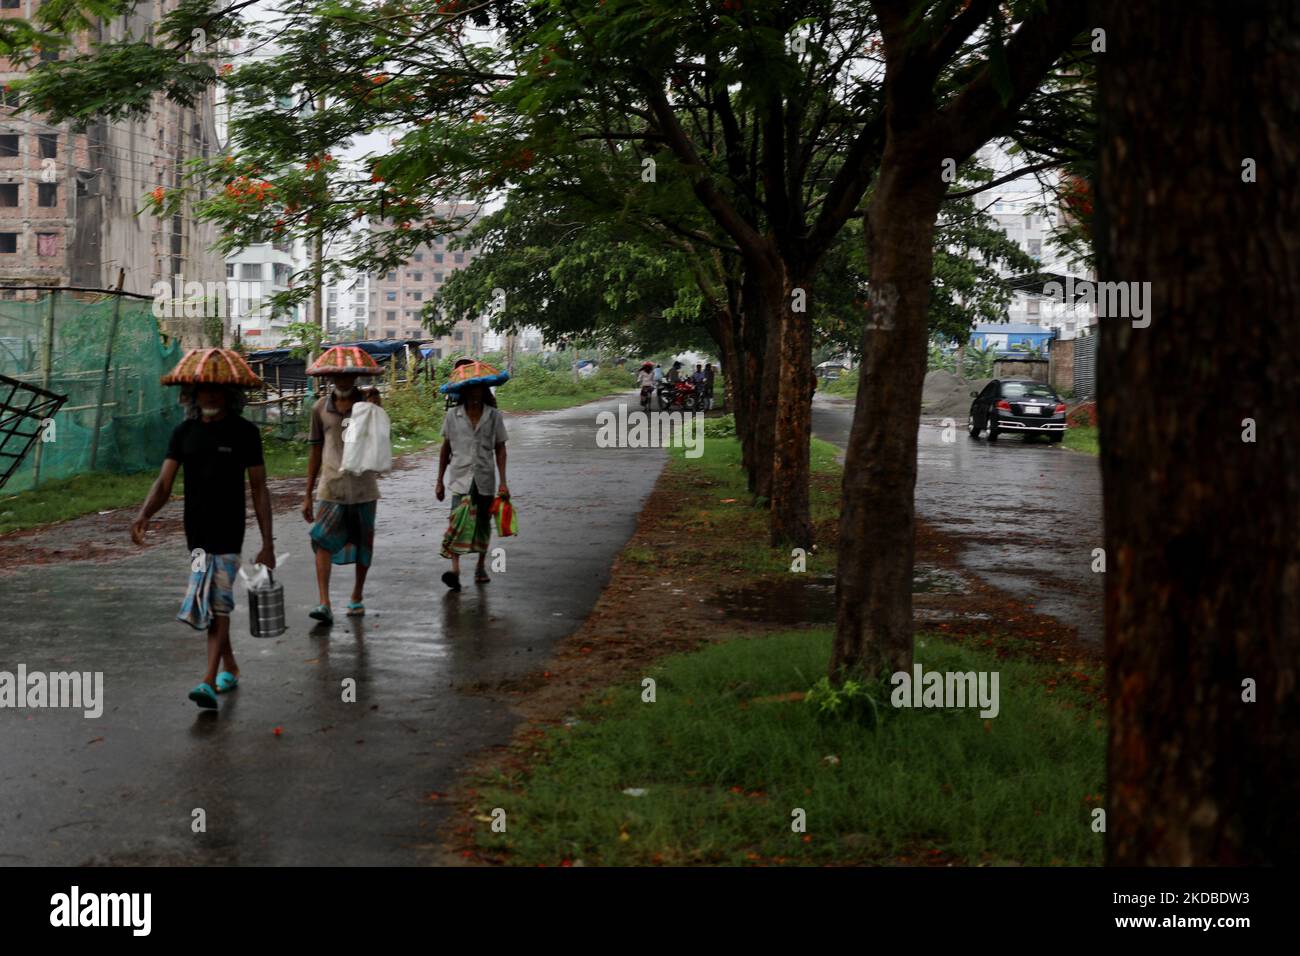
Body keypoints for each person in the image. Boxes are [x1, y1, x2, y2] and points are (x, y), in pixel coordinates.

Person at [131, 348, 274, 710]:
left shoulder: (245, 433)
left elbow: (259, 488)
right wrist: (144, 514)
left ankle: (208, 680)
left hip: (229, 533)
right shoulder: (183, 433)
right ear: (192, 396)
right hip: (195, 536)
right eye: (203, 390)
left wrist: (268, 541)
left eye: (217, 389)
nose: (210, 395)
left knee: (219, 604)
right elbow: (164, 484)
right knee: (208, 600)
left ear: (230, 395)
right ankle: (231, 667)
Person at [303, 347, 386, 625]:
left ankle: (357, 595)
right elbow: (315, 452)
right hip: (331, 487)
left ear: (356, 376)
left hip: (364, 487)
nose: (343, 379)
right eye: (337, 375)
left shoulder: (369, 405)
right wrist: (306, 494)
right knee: (321, 540)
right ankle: (324, 602)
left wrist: (377, 408)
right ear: (329, 377)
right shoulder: (319, 409)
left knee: (364, 544)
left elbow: (381, 438)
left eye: (348, 374)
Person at [437, 360, 510, 591]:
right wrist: (438, 480)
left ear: (484, 390)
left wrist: (504, 482)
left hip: (485, 478)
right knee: (457, 523)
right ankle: (455, 570)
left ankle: (480, 566)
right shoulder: (452, 416)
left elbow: (500, 448)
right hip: (460, 479)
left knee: (482, 524)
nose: (474, 393)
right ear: (464, 392)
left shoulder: (494, 416)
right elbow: (445, 449)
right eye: (470, 389)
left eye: (478, 388)